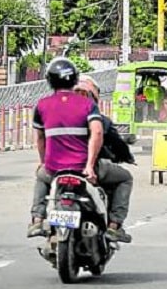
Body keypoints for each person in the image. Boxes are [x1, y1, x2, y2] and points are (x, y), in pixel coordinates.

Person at [27, 58, 134, 244]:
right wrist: (90, 167)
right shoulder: (87, 107)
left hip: (55, 170)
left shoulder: (43, 105)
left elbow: (40, 138)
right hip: (85, 169)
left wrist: (45, 163)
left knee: (41, 175)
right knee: (126, 177)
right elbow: (99, 132)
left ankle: (37, 219)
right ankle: (114, 226)